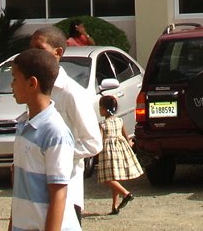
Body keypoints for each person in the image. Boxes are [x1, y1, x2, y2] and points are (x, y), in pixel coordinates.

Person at [29, 26, 101, 224]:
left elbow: (93, 142)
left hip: (66, 190)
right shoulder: (33, 90)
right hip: (36, 189)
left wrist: (57, 153)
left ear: (57, 53)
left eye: (39, 48)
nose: (33, 54)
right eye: (30, 48)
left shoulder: (71, 93)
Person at [8, 48, 80, 231]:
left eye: (15, 79)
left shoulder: (55, 132)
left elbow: (58, 193)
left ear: (32, 83)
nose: (11, 85)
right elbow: (20, 190)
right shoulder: (24, 126)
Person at [94, 94, 142, 215]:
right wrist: (129, 143)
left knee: (107, 179)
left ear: (105, 109)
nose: (99, 110)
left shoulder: (103, 124)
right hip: (119, 151)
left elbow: (99, 140)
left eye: (100, 107)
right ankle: (114, 207)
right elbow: (126, 136)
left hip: (107, 153)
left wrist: (94, 152)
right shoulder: (119, 121)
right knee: (113, 178)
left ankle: (126, 194)